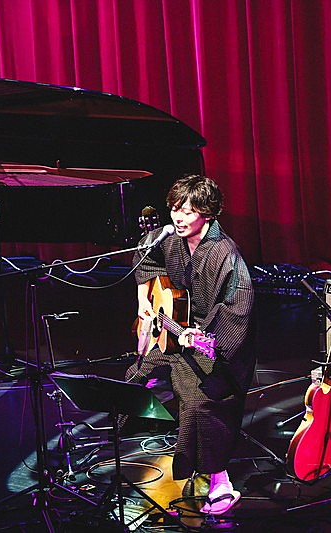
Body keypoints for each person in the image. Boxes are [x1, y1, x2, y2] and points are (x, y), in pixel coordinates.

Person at [124, 175, 255, 516]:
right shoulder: (170, 239)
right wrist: (144, 303)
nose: (178, 218)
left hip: (215, 343)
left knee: (201, 404)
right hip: (172, 330)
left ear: (207, 213)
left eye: (187, 211)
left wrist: (202, 337)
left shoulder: (224, 253)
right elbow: (145, 253)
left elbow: (237, 305)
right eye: (175, 209)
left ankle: (220, 479)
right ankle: (115, 452)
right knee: (134, 376)